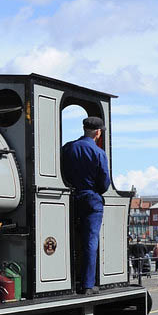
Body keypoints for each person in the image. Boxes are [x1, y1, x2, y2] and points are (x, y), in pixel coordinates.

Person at [60, 116, 110, 294]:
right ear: (98, 132)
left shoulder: (68, 148)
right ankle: (87, 284)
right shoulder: (99, 153)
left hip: (70, 198)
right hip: (91, 199)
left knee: (70, 238)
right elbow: (104, 183)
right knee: (90, 241)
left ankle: (68, 278)